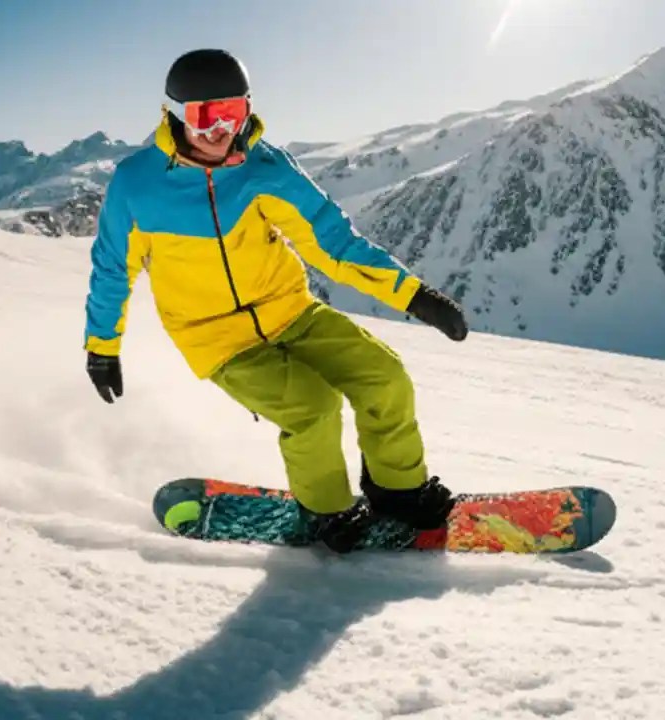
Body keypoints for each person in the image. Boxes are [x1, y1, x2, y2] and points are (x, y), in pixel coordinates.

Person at [83, 49, 469, 553]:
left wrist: (415, 296)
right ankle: (326, 512)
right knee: (313, 407)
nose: (220, 129)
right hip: (217, 337)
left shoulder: (266, 169)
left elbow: (334, 243)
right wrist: (102, 346)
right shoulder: (137, 185)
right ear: (174, 114)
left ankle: (397, 490)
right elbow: (114, 268)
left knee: (385, 376)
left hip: (292, 312)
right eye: (204, 115)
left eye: (233, 112)